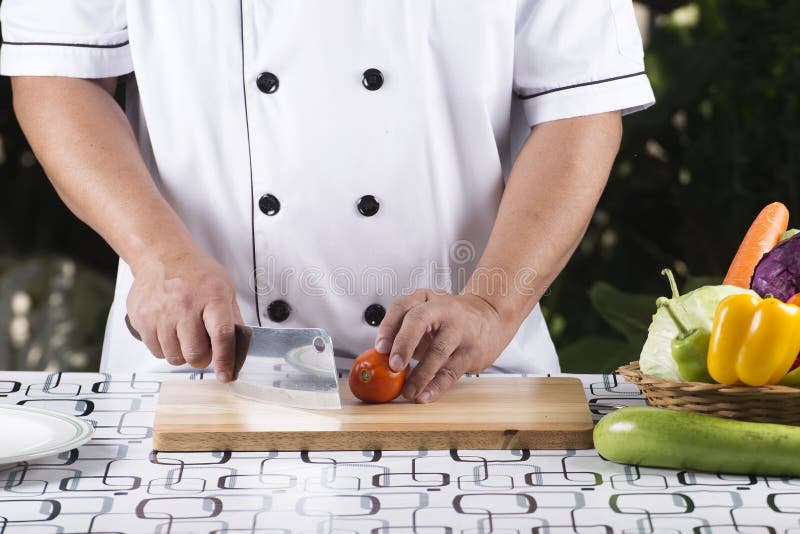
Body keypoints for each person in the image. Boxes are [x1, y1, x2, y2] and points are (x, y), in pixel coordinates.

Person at [1, 0, 654, 403]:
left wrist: (490, 304)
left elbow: (579, 104)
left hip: (463, 380)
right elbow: (60, 73)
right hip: (197, 376)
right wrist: (157, 254)